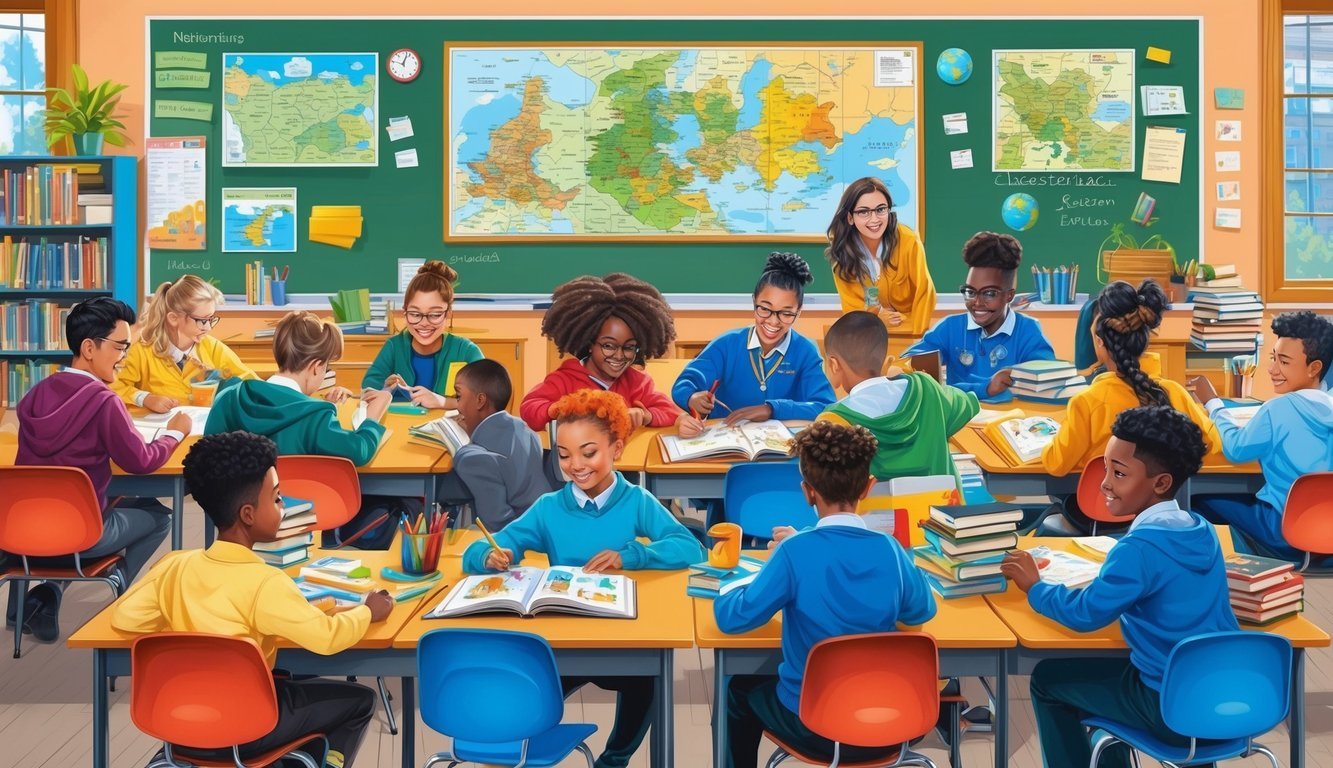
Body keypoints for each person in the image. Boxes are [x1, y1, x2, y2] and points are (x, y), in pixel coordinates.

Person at [113, 431, 393, 768]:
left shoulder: (175, 566)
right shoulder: (265, 582)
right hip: (249, 726)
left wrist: (183, 619)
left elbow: (126, 618)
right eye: (276, 498)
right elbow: (327, 638)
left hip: (180, 720)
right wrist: (366, 611)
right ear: (248, 514)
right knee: (359, 701)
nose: (283, 506)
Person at [462, 389, 705, 768]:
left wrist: (632, 555)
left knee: (649, 681)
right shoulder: (549, 507)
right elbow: (490, 546)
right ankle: (518, 748)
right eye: (563, 455)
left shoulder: (636, 500)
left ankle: (613, 760)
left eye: (588, 452)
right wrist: (489, 554)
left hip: (622, 638)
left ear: (617, 449)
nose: (575, 465)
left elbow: (690, 548)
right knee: (526, 686)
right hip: (563, 641)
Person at [1002, 406, 1237, 768]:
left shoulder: (1137, 550)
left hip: (1166, 704)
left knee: (1048, 680)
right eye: (1106, 467)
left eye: (1120, 472)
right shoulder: (1201, 529)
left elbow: (1085, 614)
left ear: (1160, 483)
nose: (1105, 482)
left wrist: (1035, 586)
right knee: (1109, 684)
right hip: (1221, 697)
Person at [715, 420, 936, 768]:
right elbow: (921, 611)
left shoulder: (793, 553)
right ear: (868, 487)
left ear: (807, 491)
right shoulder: (891, 549)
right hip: (893, 719)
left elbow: (732, 618)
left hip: (816, 724)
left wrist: (734, 577)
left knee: (737, 691)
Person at [12, 297, 189, 642]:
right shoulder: (104, 401)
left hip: (23, 531)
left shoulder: (35, 393)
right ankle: (119, 585)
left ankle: (44, 595)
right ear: (89, 348)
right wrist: (174, 432)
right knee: (158, 515)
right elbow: (141, 462)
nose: (124, 357)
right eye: (120, 346)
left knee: (117, 504)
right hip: (82, 534)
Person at [1041, 280, 1220, 532]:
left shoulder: (1088, 401)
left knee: (1049, 514)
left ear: (1101, 342)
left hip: (1098, 515)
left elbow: (1056, 465)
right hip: (1159, 519)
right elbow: (1212, 445)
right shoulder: (1175, 393)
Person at [1190, 310, 1333, 560]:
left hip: (1283, 532)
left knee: (1195, 499)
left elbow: (1236, 449)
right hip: (1326, 533)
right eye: (1273, 358)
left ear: (1314, 368)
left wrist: (1213, 403)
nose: (1272, 369)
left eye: (1284, 362)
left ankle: (1237, 563)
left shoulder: (1278, 409)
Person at [520, 272, 702, 436]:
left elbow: (669, 410)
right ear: (590, 343)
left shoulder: (637, 382)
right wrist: (564, 408)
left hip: (625, 466)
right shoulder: (564, 380)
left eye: (629, 347)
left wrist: (646, 415)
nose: (619, 355)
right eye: (609, 345)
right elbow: (529, 408)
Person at [205, 311, 391, 466]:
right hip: (296, 508)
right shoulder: (316, 418)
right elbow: (359, 451)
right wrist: (372, 418)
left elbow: (208, 456)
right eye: (326, 367)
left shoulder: (228, 396)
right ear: (317, 366)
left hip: (234, 508)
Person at [672, 252, 836, 425]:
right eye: (765, 309)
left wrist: (772, 409)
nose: (773, 321)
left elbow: (825, 406)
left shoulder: (806, 351)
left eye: (786, 313)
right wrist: (691, 397)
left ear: (799, 311)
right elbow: (685, 383)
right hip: (726, 439)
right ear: (754, 301)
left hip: (783, 446)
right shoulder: (728, 343)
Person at [821, 309, 979, 483]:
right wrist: (908, 372)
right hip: (940, 507)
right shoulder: (926, 388)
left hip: (872, 509)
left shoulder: (834, 420)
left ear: (833, 364)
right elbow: (967, 403)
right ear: (887, 362)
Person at [903, 231, 1055, 402]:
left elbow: (1046, 383)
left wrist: (1024, 376)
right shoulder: (950, 328)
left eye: (989, 293)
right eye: (970, 292)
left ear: (1009, 296)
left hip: (1010, 421)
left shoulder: (1028, 331)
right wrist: (986, 388)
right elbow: (909, 366)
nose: (977, 302)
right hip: (960, 422)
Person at [111, 274, 255, 412]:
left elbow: (250, 382)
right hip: (158, 430)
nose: (208, 328)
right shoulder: (142, 350)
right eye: (202, 320)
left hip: (203, 430)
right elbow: (114, 386)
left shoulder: (213, 348)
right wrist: (146, 398)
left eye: (211, 319)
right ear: (173, 318)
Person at [440, 359, 551, 531]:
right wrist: (473, 430)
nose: (458, 405)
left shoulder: (472, 458)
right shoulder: (524, 429)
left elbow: (496, 523)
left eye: (458, 397)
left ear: (480, 401)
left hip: (520, 538)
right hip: (545, 522)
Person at [362, 260, 482, 409]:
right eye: (415, 313)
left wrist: (442, 402)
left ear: (448, 313)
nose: (424, 323)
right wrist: (389, 390)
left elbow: (484, 400)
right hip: (403, 427)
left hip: (449, 430)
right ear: (404, 312)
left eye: (434, 314)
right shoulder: (394, 346)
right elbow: (367, 389)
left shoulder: (466, 351)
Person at [825, 176, 936, 335]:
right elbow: (852, 308)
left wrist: (917, 337)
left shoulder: (908, 241)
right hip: (870, 335)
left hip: (910, 329)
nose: (874, 219)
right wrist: (875, 318)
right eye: (864, 212)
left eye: (880, 209)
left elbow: (924, 294)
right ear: (850, 217)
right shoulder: (842, 252)